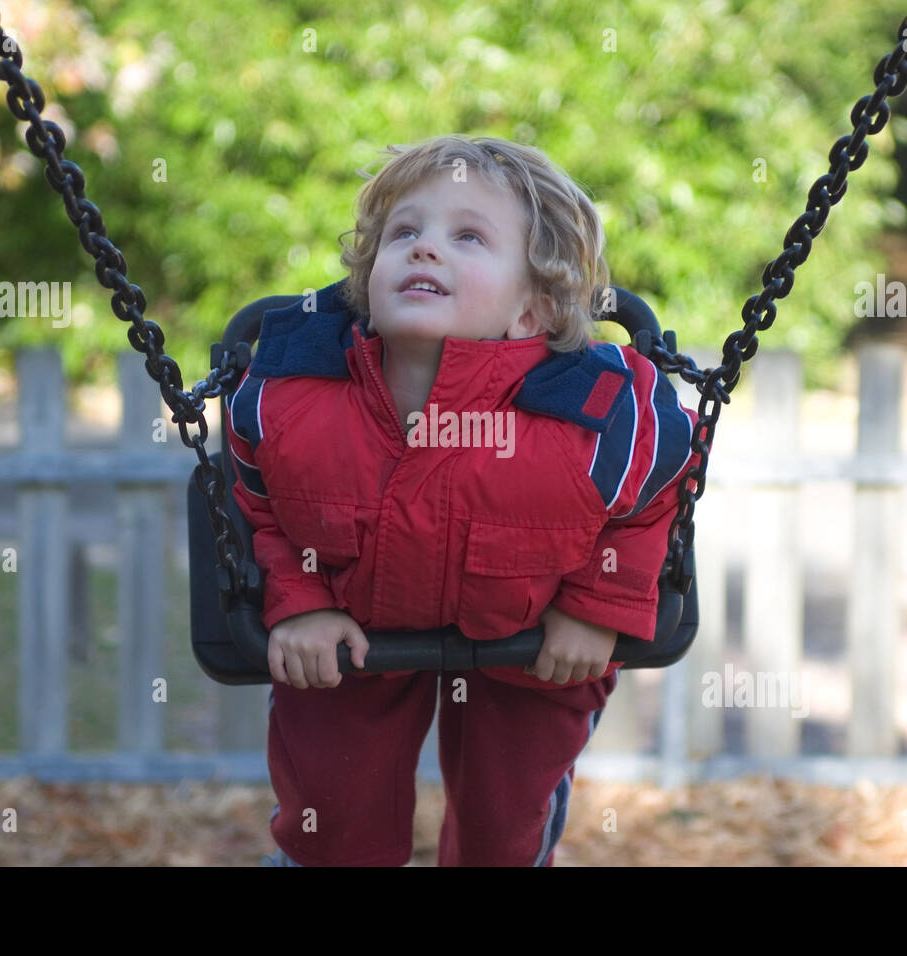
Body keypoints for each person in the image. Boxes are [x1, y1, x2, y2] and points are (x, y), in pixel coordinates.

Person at [227, 134, 702, 866]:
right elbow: (260, 498)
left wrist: (595, 604)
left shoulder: (592, 415)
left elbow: (657, 493)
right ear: (368, 276)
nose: (425, 250)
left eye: (468, 237)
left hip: (532, 641)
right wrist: (301, 597)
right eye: (404, 233)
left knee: (504, 828)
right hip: (354, 634)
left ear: (533, 309)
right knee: (332, 819)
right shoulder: (297, 397)